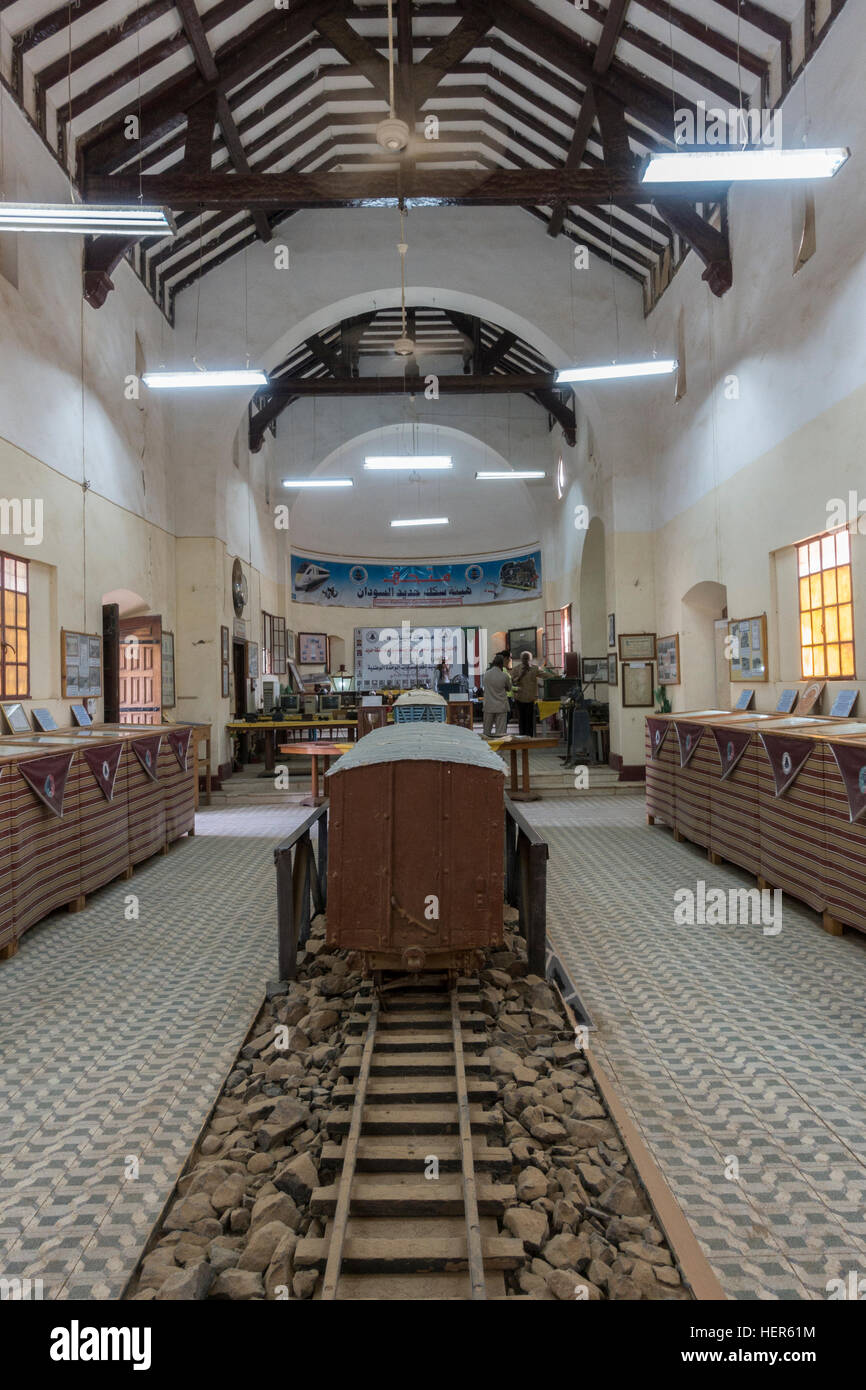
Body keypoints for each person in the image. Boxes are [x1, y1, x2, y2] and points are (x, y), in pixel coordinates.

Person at [483, 654, 512, 737]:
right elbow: (509, 689)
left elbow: (485, 686)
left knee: (486, 731)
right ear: (502, 664)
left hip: (489, 705)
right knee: (500, 731)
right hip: (501, 705)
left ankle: (486, 748)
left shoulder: (486, 674)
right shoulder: (505, 676)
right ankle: (500, 749)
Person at [513, 650, 540, 737]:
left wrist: (556, 676)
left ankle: (529, 736)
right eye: (524, 658)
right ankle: (522, 736)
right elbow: (513, 682)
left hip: (531, 698)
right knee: (521, 719)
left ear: (530, 659)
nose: (525, 660)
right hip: (520, 698)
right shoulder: (516, 669)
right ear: (521, 659)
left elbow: (545, 674)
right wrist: (521, 676)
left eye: (527, 658)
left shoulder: (535, 668)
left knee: (530, 719)